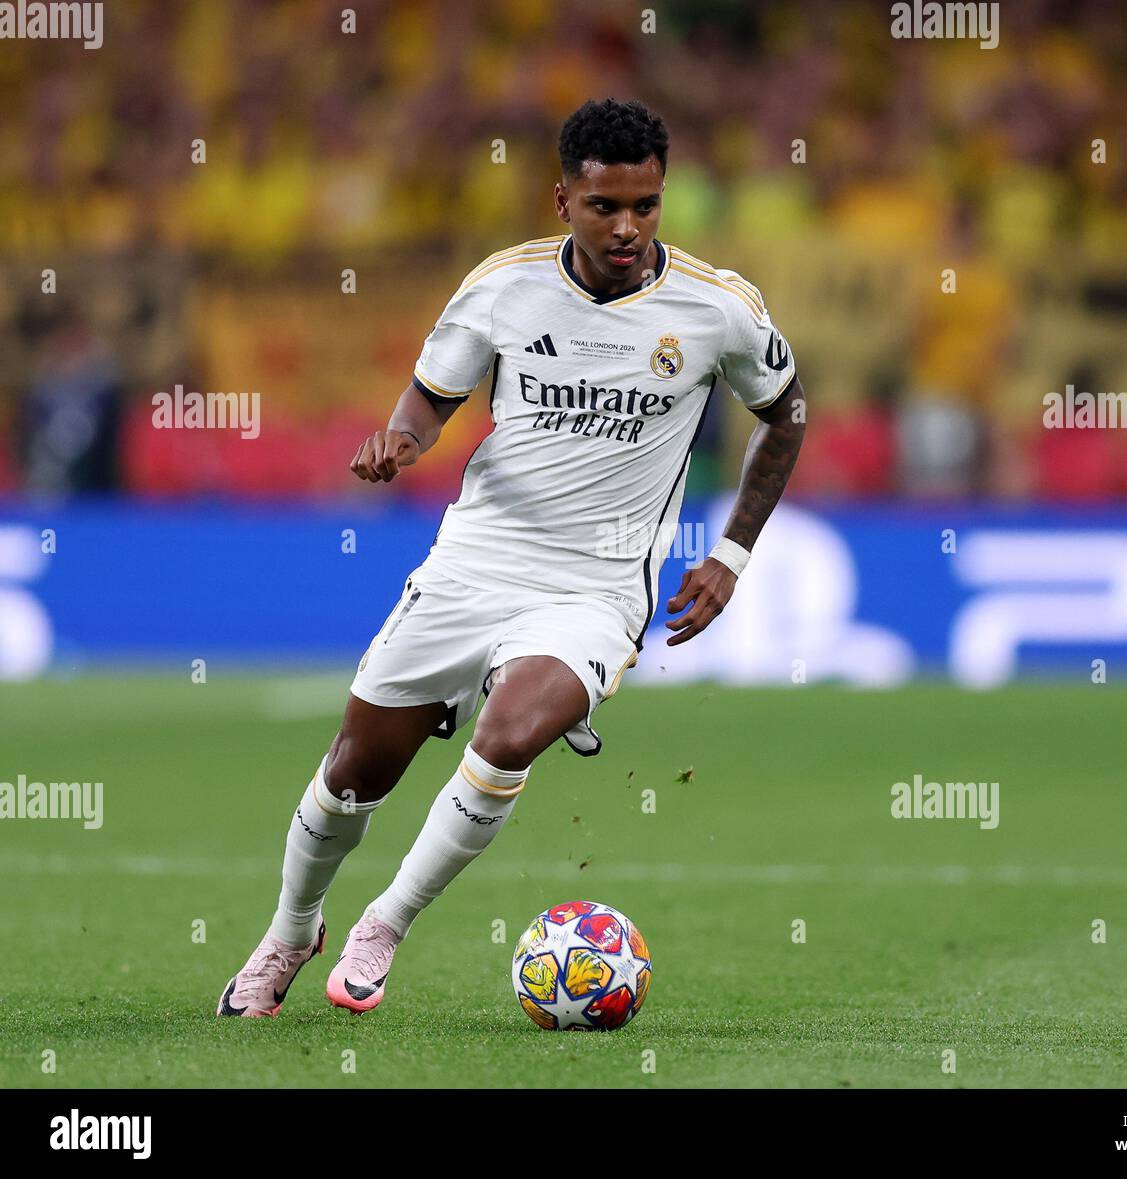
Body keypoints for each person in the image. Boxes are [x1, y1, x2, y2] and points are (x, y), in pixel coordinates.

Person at [217, 98, 806, 1017]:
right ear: (562, 197)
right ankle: (292, 930)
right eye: (605, 205)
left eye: (646, 206)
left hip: (596, 585)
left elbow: (788, 412)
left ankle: (387, 920)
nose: (627, 228)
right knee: (352, 775)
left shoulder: (716, 308)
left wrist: (730, 552)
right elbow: (428, 398)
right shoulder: (503, 285)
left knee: (509, 736)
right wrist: (400, 442)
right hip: (475, 562)